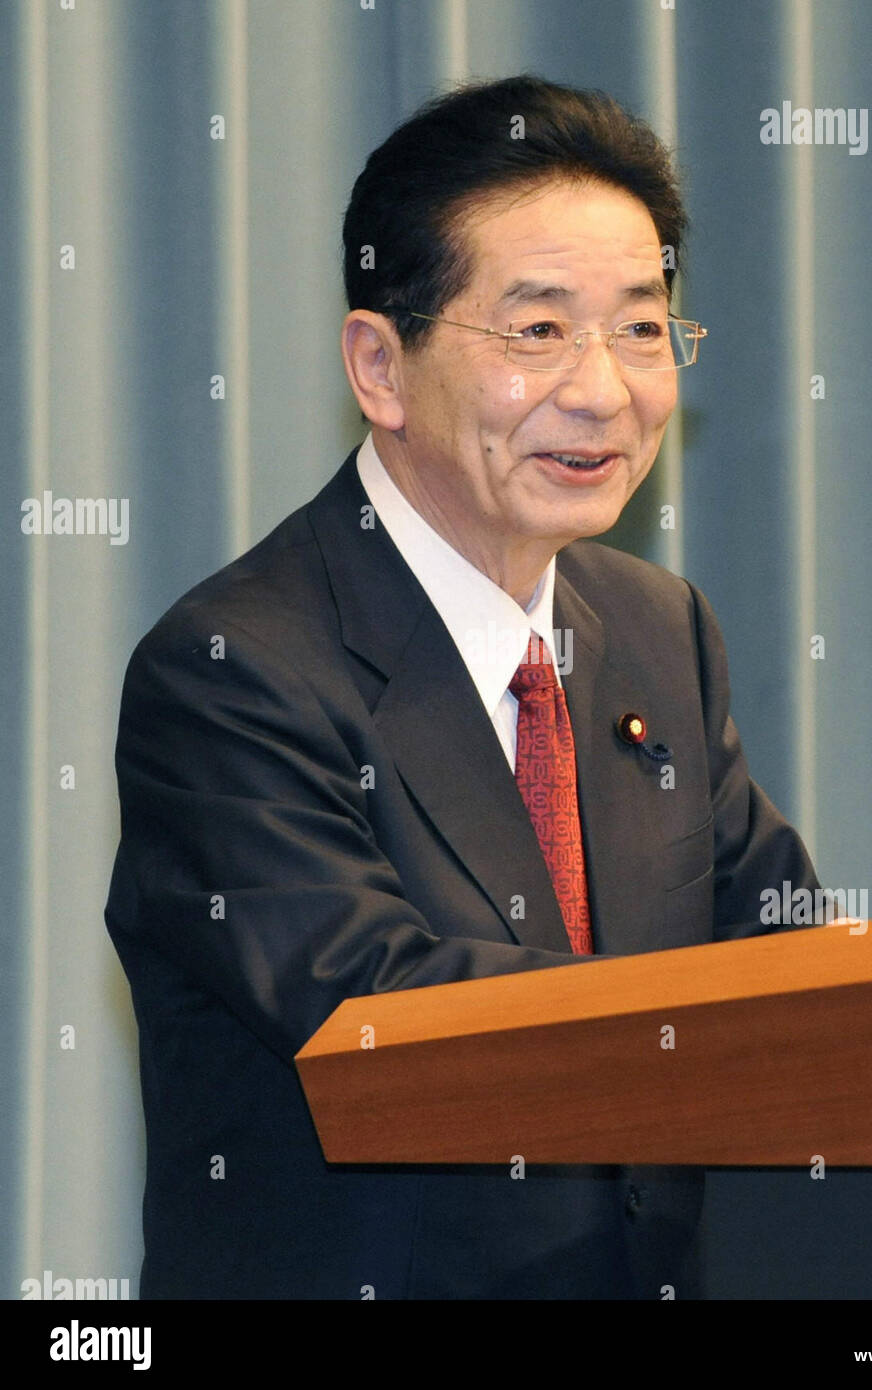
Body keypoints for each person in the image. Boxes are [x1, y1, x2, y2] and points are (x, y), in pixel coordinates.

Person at [105, 73, 820, 1300]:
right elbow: (385, 1020)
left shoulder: (657, 629)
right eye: (536, 330)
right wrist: (715, 1028)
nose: (603, 388)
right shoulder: (232, 670)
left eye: (642, 326)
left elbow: (784, 954)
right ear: (380, 365)